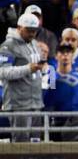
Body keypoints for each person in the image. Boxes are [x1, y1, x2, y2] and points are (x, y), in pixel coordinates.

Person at [0, 11, 46, 140]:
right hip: (18, 104)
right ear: (19, 27)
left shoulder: (34, 43)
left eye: (34, 30)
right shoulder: (7, 46)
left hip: (36, 102)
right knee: (21, 144)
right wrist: (28, 68)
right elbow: (2, 72)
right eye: (29, 30)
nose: (32, 33)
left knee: (36, 142)